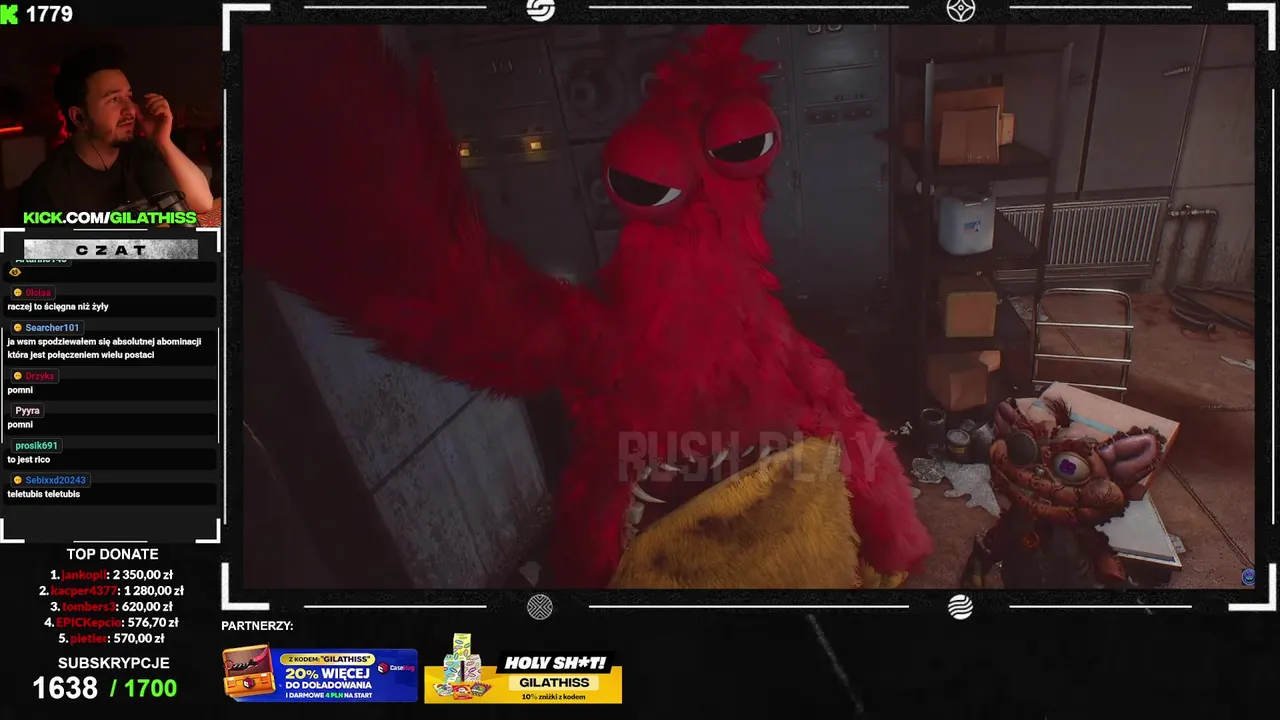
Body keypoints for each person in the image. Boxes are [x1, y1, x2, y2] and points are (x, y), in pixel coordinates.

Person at [18, 44, 214, 216]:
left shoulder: (142, 151)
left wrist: (163, 142)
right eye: (113, 99)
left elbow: (202, 203)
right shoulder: (47, 188)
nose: (130, 109)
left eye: (128, 97)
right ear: (78, 117)